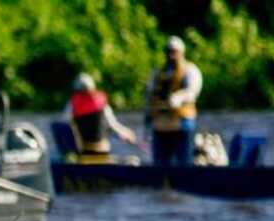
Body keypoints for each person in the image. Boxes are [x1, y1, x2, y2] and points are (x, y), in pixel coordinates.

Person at [143, 36, 203, 167]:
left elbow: (192, 91)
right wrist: (148, 116)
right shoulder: (157, 73)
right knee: (160, 164)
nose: (171, 55)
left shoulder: (190, 70)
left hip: (182, 123)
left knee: (184, 162)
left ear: (181, 52)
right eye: (168, 51)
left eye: (174, 51)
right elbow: (149, 95)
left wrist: (178, 97)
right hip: (160, 125)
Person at [64, 73, 137, 159]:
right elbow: (112, 125)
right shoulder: (101, 103)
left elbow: (65, 123)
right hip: (102, 149)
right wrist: (126, 133)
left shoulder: (72, 104)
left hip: (84, 151)